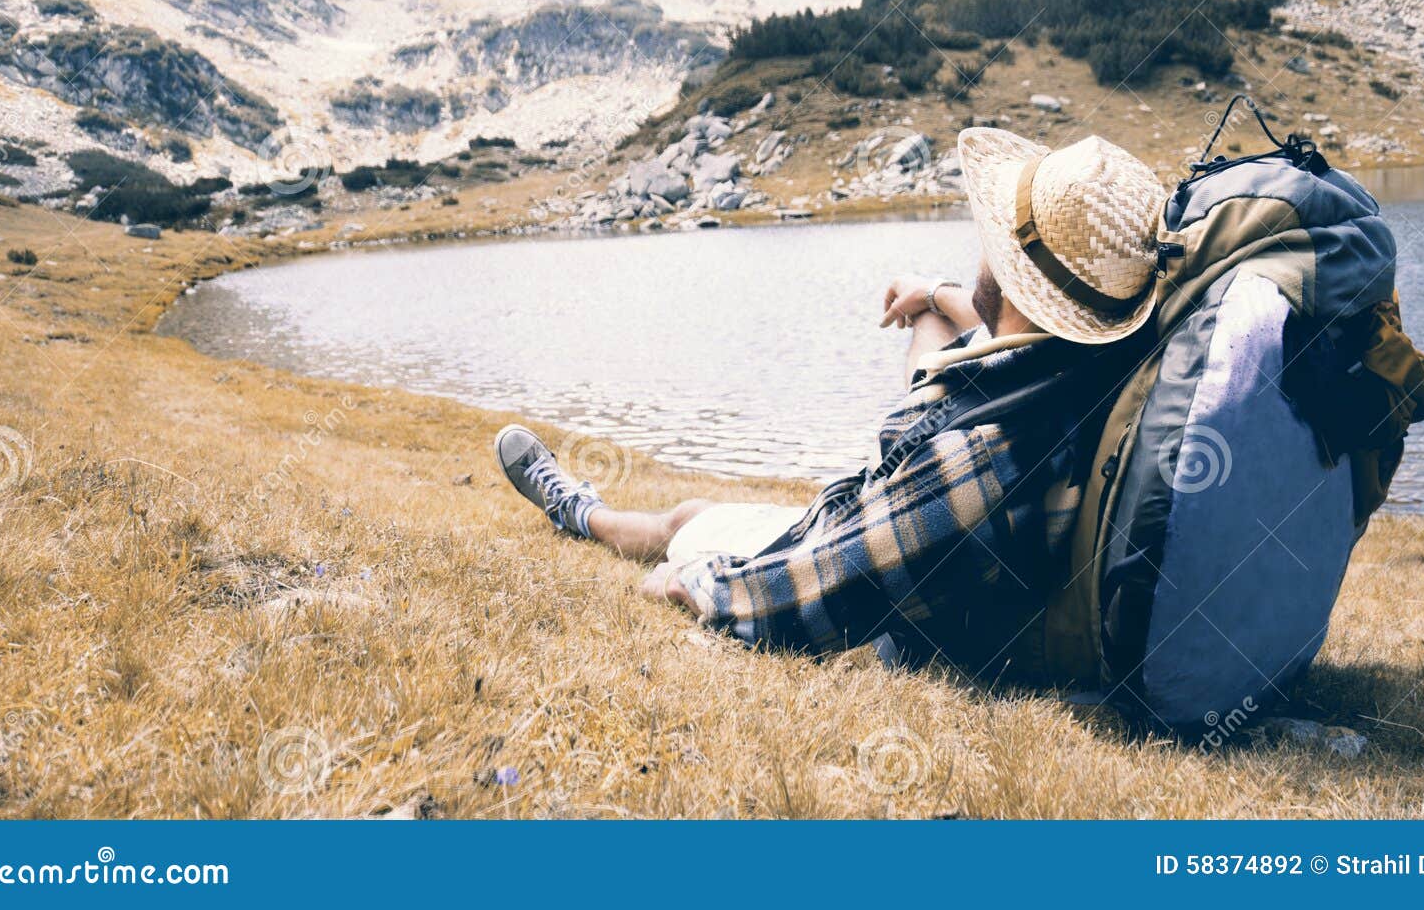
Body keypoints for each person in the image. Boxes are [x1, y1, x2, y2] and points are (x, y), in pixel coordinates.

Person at [494, 129, 1167, 681]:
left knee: (687, 521)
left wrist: (687, 583)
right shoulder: (1082, 363)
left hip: (895, 594)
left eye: (995, 242)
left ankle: (579, 512)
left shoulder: (985, 463)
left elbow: (800, 596)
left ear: (1019, 273)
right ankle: (598, 514)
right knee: (706, 509)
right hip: (916, 515)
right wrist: (932, 293)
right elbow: (1001, 330)